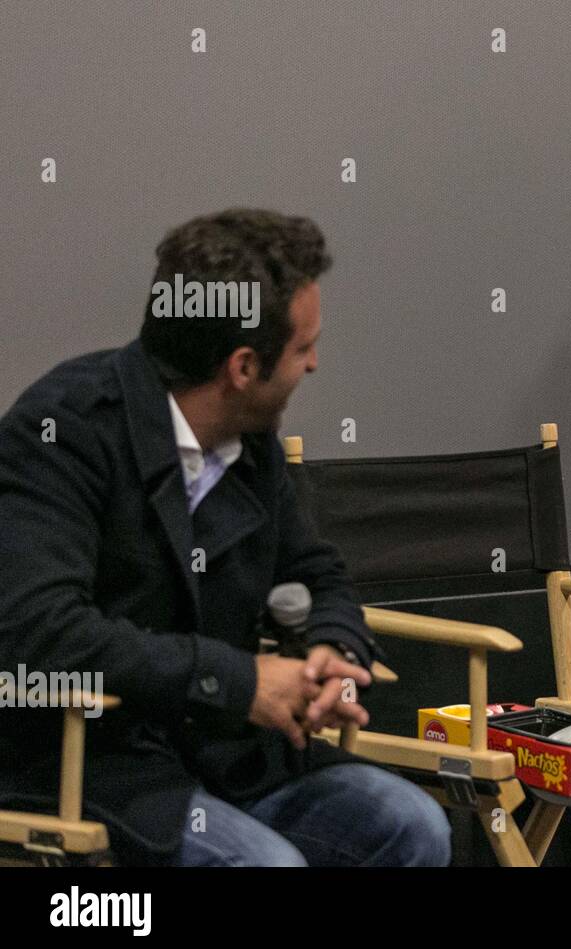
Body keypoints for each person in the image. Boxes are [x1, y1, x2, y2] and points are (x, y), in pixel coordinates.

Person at [0, 209, 451, 866]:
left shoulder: (249, 443)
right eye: (303, 349)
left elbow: (314, 572)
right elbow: (39, 633)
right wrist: (239, 682)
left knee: (413, 826)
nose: (315, 364)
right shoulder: (62, 430)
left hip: (231, 756)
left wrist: (332, 649)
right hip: (90, 765)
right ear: (243, 366)